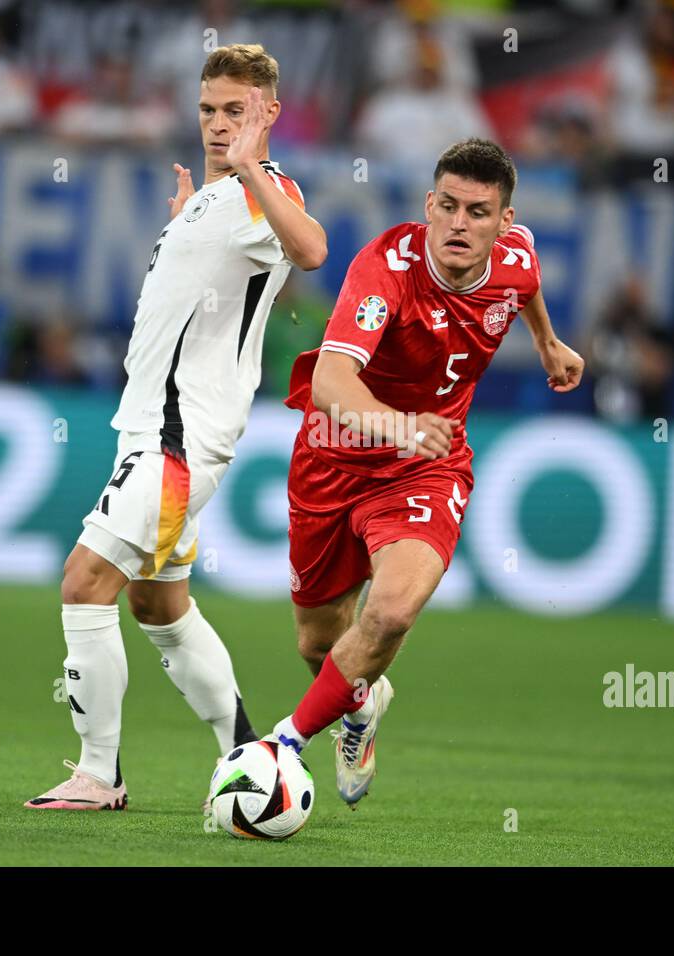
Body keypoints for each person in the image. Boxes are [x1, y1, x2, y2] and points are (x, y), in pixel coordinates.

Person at [26, 44, 327, 810]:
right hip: (156, 436)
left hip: (178, 443)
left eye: (237, 111)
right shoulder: (217, 199)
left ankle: (99, 775)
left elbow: (313, 248)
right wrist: (191, 217)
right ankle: (250, 756)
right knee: (158, 604)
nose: (219, 125)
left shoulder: (266, 188)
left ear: (269, 114)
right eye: (208, 110)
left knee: (84, 582)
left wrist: (252, 172)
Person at [269, 138, 584, 807]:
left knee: (389, 612)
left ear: (504, 222)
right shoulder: (385, 268)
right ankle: (359, 703)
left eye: (478, 211)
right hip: (334, 456)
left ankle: (282, 745)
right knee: (318, 639)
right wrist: (402, 426)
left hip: (426, 469)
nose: (460, 224)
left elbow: (524, 287)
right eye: (448, 206)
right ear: (428, 205)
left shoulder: (518, 258)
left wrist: (547, 342)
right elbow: (329, 381)